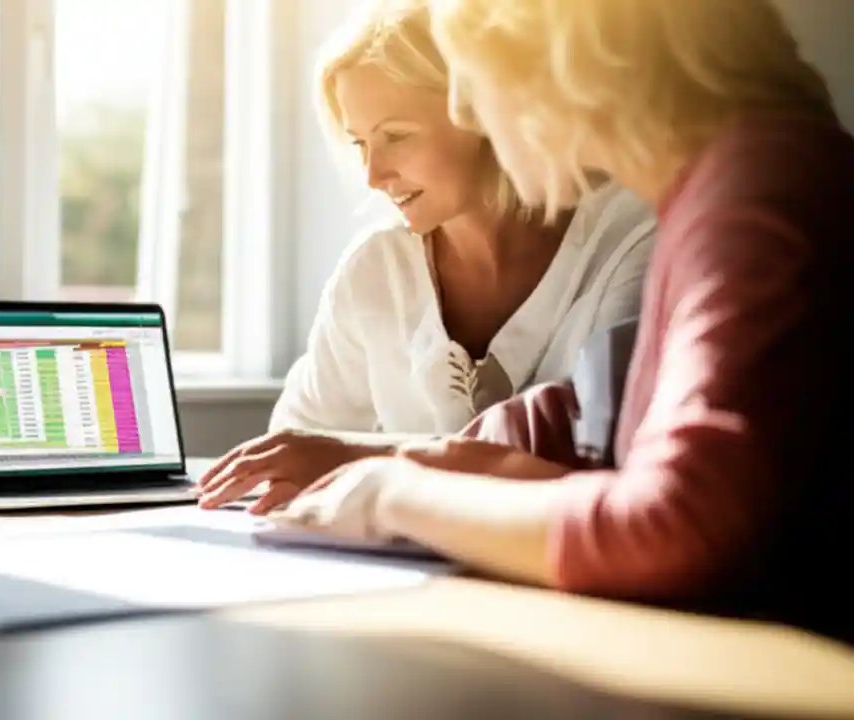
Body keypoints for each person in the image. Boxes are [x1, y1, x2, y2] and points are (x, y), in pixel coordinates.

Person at [268, 0, 854, 636]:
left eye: (476, 76)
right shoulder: (730, 182)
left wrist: (393, 497)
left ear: (576, 62)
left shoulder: (756, 195)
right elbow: (604, 416)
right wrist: (421, 455)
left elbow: (681, 522)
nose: (469, 113)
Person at [197, 0, 655, 513]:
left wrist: (356, 458)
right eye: (360, 143)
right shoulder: (376, 270)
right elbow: (294, 448)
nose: (373, 175)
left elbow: (603, 454)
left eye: (396, 136)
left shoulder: (630, 237)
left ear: (481, 111)